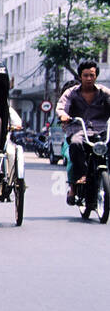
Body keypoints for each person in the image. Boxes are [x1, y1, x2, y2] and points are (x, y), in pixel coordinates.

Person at [56, 60, 110, 205]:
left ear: (96, 76)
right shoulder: (71, 93)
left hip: (101, 131)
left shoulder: (104, 92)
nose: (89, 78)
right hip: (79, 130)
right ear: (80, 76)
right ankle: (81, 176)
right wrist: (63, 115)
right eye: (85, 75)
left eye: (92, 75)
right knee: (75, 143)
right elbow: (61, 107)